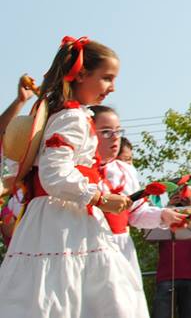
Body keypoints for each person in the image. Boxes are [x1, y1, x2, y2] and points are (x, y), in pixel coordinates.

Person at [0, 36, 149, 315]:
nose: (112, 87)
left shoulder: (57, 115)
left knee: (56, 293)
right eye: (106, 78)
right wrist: (101, 198)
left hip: (55, 218)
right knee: (78, 294)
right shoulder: (72, 118)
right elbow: (53, 175)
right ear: (81, 74)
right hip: (64, 222)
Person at [91, 105, 186, 279]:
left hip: (119, 249)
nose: (115, 138)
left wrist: (163, 214)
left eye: (118, 131)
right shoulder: (74, 172)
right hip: (85, 250)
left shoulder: (124, 171)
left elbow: (135, 214)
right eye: (106, 132)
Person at [153, 190, 191, 318]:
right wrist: (168, 208)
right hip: (166, 276)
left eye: (184, 196)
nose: (180, 199)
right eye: (176, 196)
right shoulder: (163, 213)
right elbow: (151, 239)